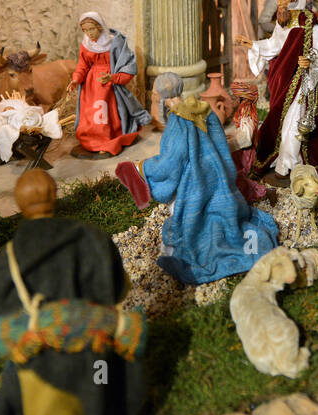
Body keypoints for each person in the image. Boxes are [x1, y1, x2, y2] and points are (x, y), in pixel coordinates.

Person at [0, 170, 146, 415]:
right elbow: (117, 291)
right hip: (97, 357)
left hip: (39, 366)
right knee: (106, 394)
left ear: (20, 205)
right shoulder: (92, 237)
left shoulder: (9, 259)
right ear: (54, 195)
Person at [114, 93, 279, 285]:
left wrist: (142, 169)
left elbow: (170, 163)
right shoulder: (206, 111)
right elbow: (224, 153)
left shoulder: (177, 121)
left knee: (187, 209)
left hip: (194, 186)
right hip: (219, 183)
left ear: (166, 101)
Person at [235, 0, 318, 188]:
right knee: (280, 119)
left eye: (283, 2)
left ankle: (288, 166)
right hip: (282, 79)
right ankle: (280, 160)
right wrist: (251, 44)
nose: (280, 7)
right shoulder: (283, 22)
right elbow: (274, 45)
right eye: (278, 3)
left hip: (300, 80)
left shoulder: (309, 23)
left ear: (293, 1)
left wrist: (310, 60)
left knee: (293, 123)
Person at [70, 12, 151, 158]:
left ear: (100, 27)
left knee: (106, 113)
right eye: (85, 30)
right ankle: (91, 140)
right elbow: (83, 65)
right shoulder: (86, 44)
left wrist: (113, 78)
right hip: (91, 85)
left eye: (92, 29)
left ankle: (105, 141)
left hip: (109, 84)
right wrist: (76, 79)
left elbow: (128, 66)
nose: (89, 34)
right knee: (89, 114)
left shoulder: (115, 42)